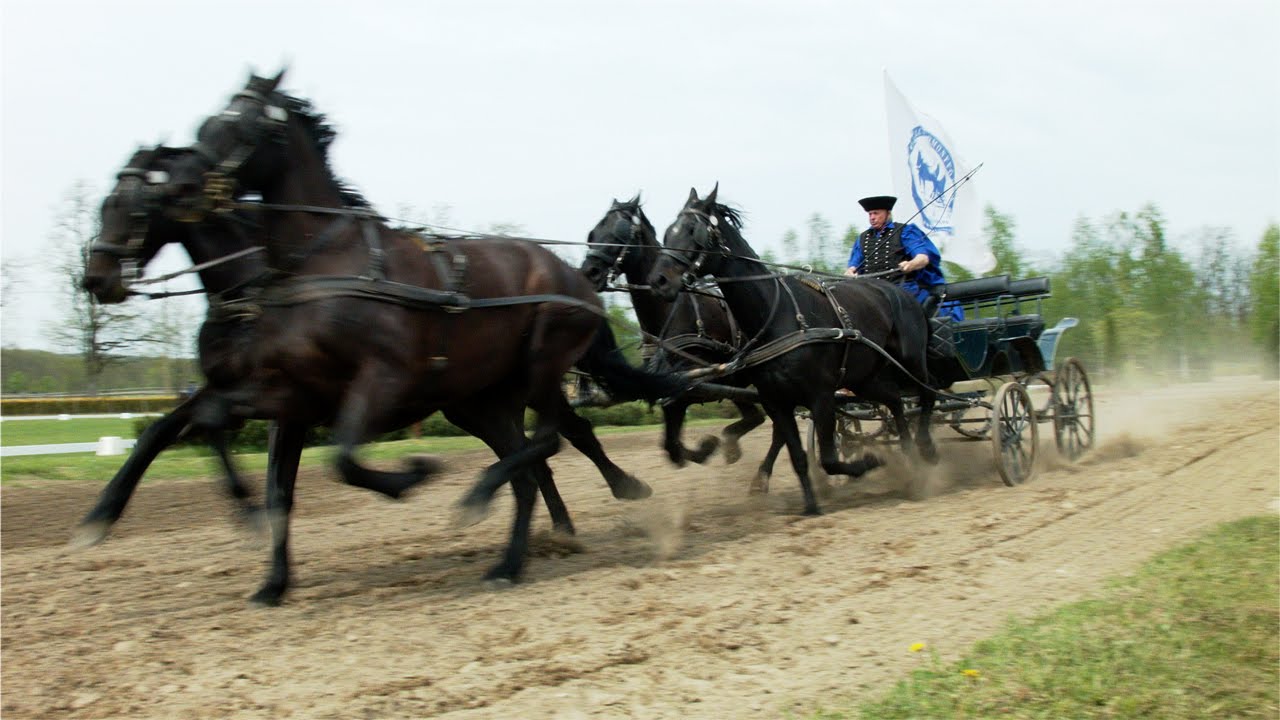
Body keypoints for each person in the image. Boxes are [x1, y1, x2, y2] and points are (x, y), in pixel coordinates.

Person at [843, 195, 963, 321]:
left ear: (888, 213)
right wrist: (850, 272)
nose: (872, 218)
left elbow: (923, 257)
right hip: (872, 290)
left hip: (902, 289)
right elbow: (853, 266)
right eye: (870, 214)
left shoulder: (905, 231)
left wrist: (911, 264)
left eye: (876, 213)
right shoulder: (862, 239)